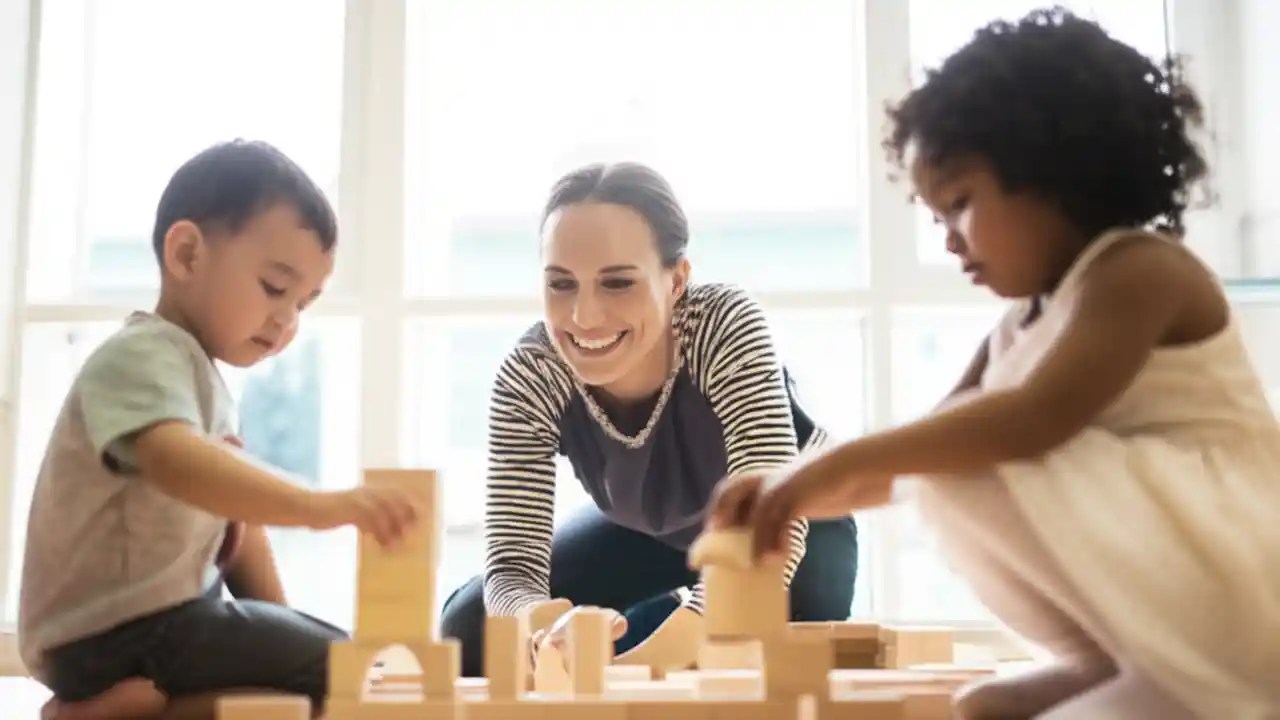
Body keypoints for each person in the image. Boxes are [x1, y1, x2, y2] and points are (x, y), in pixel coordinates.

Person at [705, 7, 1280, 719]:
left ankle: (1208, 685)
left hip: (1245, 600)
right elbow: (903, 465)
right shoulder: (1021, 326)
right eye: (936, 217)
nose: (948, 241)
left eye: (961, 204)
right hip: (1155, 625)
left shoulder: (1140, 272)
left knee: (968, 453)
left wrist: (816, 470)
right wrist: (783, 492)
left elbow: (1033, 420)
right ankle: (1117, 663)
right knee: (986, 705)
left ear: (1054, 171)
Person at [18, 139, 427, 720]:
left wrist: (278, 630)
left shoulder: (197, 379)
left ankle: (120, 709)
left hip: (156, 628)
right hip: (110, 632)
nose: (286, 320)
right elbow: (176, 462)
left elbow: (239, 532)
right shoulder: (142, 355)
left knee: (323, 679)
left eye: (304, 304)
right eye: (275, 288)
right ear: (186, 254)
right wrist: (321, 506)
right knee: (351, 673)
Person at [438, 161, 860, 676]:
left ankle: (661, 621)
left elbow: (767, 528)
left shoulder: (722, 323)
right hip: (651, 531)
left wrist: (637, 671)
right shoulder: (532, 372)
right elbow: (512, 566)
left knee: (764, 659)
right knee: (469, 629)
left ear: (677, 279)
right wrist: (544, 629)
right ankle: (654, 619)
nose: (584, 317)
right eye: (561, 284)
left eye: (617, 284)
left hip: (788, 524)